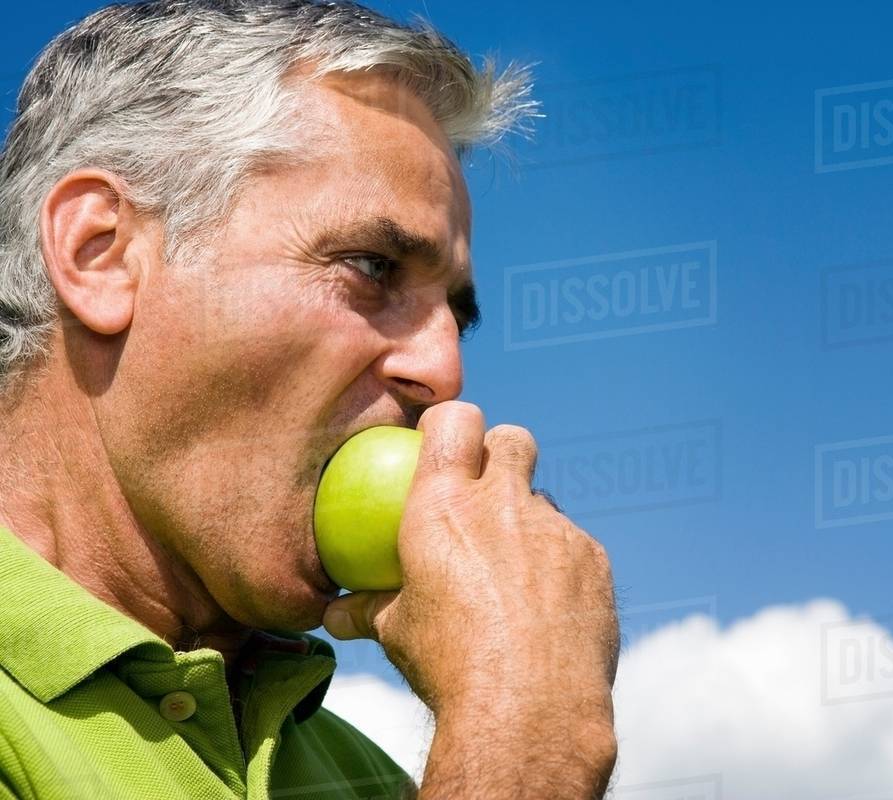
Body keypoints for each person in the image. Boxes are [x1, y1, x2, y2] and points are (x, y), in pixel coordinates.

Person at [0, 1, 619, 798]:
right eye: (372, 267)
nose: (444, 374)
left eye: (457, 320)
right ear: (101, 255)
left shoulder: (369, 781)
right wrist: (527, 744)